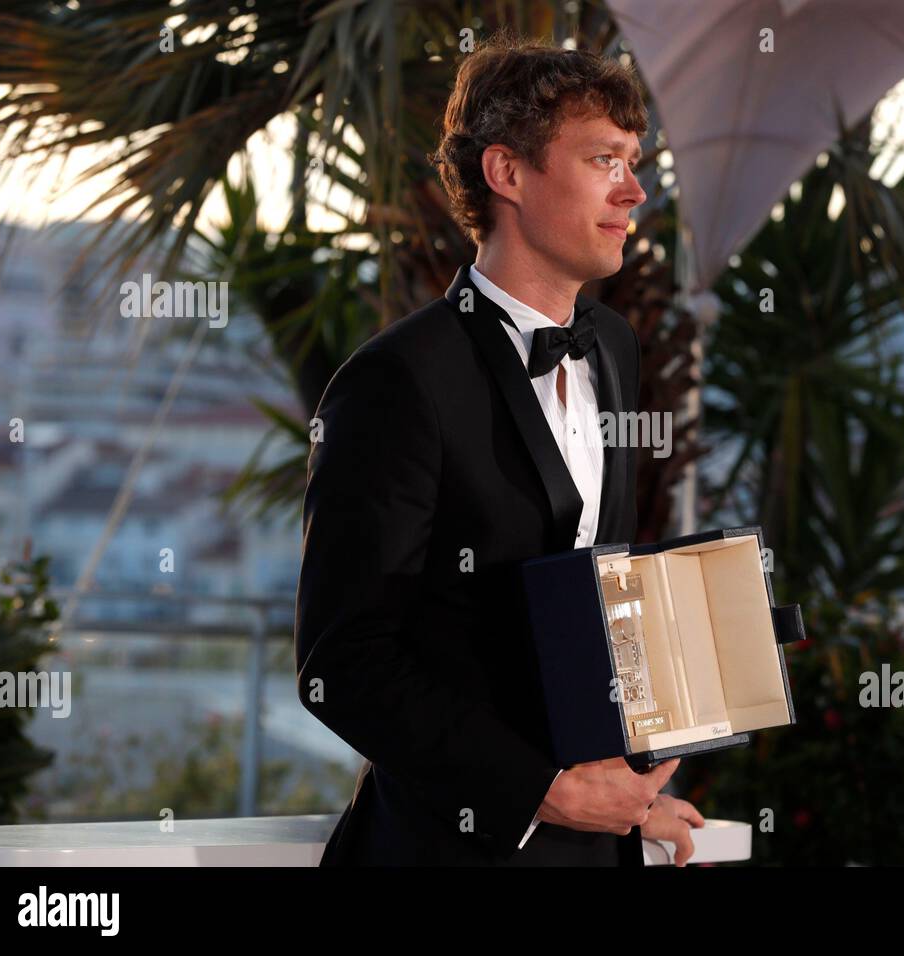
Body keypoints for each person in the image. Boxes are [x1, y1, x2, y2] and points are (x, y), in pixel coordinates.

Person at [294, 33, 704, 866]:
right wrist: (544, 789)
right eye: (603, 160)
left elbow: (599, 584)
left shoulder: (615, 348)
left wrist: (628, 789)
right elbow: (344, 660)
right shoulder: (395, 380)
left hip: (596, 843)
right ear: (507, 174)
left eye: (635, 161)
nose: (633, 192)